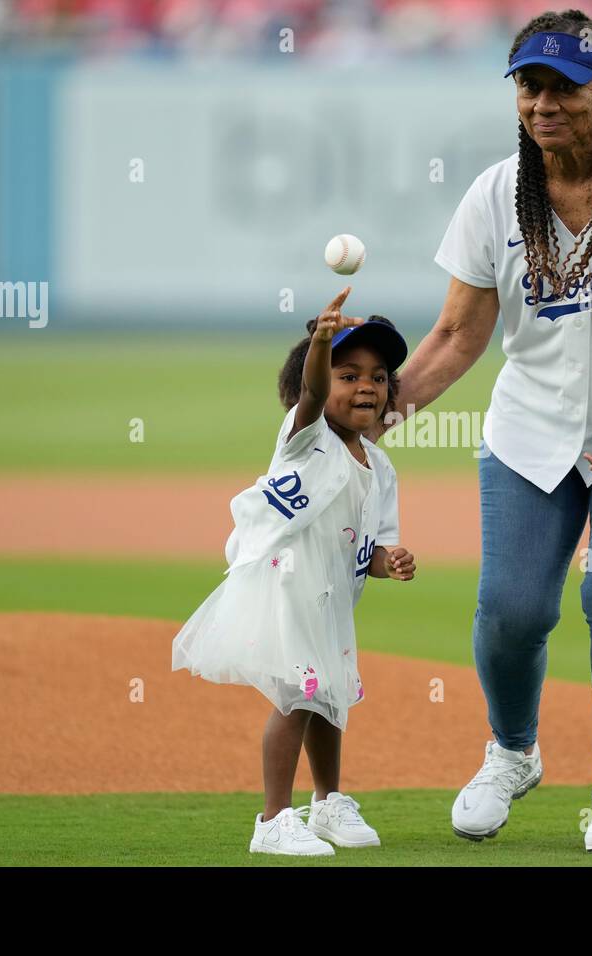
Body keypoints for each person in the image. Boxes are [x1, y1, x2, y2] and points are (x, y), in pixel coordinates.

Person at [381, 9, 592, 852]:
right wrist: (374, 412)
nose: (544, 104)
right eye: (530, 87)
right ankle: (512, 752)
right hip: (529, 428)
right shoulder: (497, 194)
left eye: (564, 87)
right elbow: (459, 336)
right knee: (510, 610)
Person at [172, 287, 417, 857]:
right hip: (285, 588)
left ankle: (327, 802)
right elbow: (310, 390)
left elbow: (373, 548)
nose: (365, 387)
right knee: (298, 697)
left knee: (331, 698)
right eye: (348, 374)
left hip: (332, 599)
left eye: (379, 377)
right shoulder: (305, 439)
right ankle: (273, 818)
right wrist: (322, 341)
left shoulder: (378, 466)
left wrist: (392, 562)